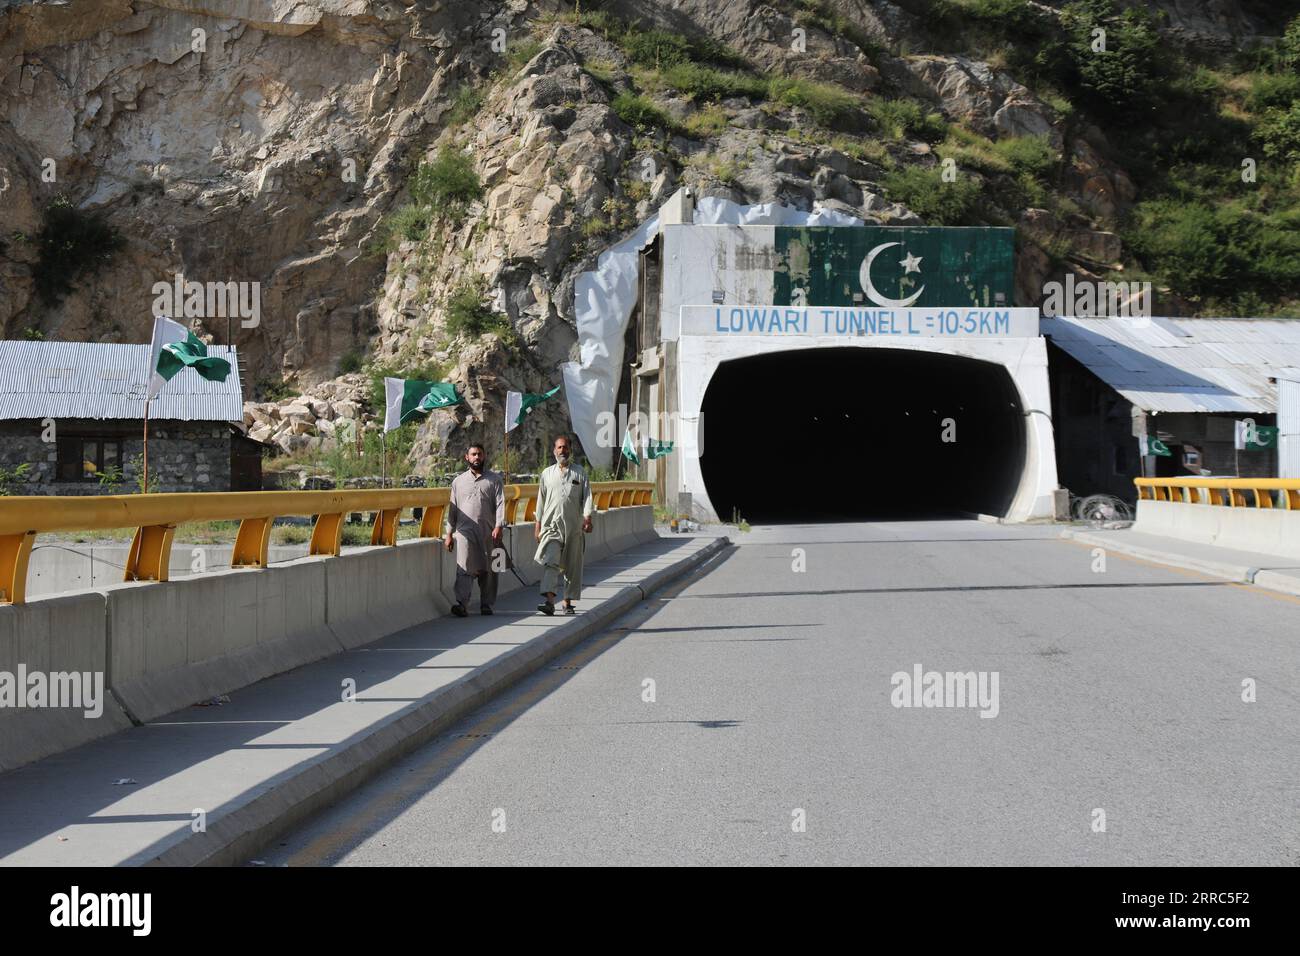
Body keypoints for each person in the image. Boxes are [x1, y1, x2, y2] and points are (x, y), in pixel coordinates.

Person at [533, 434, 593, 615]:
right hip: (551, 526)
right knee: (551, 561)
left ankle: (567, 602)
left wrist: (587, 517)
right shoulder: (546, 474)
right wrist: (538, 525)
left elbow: (588, 497)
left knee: (571, 565)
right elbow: (540, 501)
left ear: (570, 450)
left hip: (573, 527)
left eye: (565, 447)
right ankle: (549, 601)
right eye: (559, 447)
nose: (562, 451)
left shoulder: (580, 473)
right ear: (554, 451)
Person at [444, 442, 505, 617]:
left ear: (484, 456)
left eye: (479, 454)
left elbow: (501, 504)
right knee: (464, 566)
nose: (476, 457)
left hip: (489, 531)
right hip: (464, 532)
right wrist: (448, 533)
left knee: (491, 569)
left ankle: (487, 604)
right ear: (467, 458)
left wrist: (499, 525)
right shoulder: (458, 482)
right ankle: (461, 604)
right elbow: (453, 509)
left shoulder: (495, 480)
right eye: (473, 454)